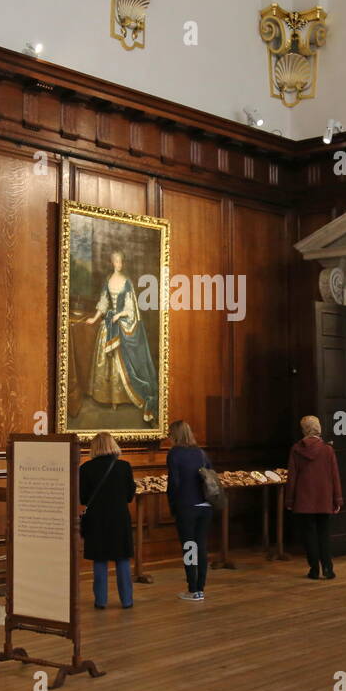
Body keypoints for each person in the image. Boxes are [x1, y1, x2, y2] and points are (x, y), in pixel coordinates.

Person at [85, 250, 159, 423]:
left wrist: (119, 315)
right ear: (112, 263)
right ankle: (108, 397)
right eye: (115, 261)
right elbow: (103, 302)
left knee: (125, 361)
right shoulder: (108, 281)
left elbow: (131, 307)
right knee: (106, 359)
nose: (118, 264)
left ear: (122, 263)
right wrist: (95, 318)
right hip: (109, 323)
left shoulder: (127, 282)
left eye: (120, 262)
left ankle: (122, 398)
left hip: (122, 323)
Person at [79, 432, 136, 609]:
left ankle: (101, 601)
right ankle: (127, 600)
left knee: (100, 559)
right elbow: (129, 495)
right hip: (119, 518)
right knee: (122, 559)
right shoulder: (124, 466)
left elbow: (83, 498)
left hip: (97, 519)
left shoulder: (86, 468)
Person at [284, 415, 343, 580]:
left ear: (304, 430)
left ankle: (314, 569)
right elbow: (334, 476)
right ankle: (328, 569)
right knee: (324, 534)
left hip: (304, 499)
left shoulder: (296, 449)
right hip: (324, 498)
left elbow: (292, 477)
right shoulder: (327, 449)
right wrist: (337, 498)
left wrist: (289, 500)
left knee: (309, 535)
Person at [166, 420, 213, 601]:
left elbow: (174, 483)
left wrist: (172, 505)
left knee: (189, 547)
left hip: (186, 506)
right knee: (201, 547)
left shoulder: (174, 454)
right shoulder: (201, 452)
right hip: (205, 506)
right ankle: (201, 588)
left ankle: (192, 588)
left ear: (175, 435)